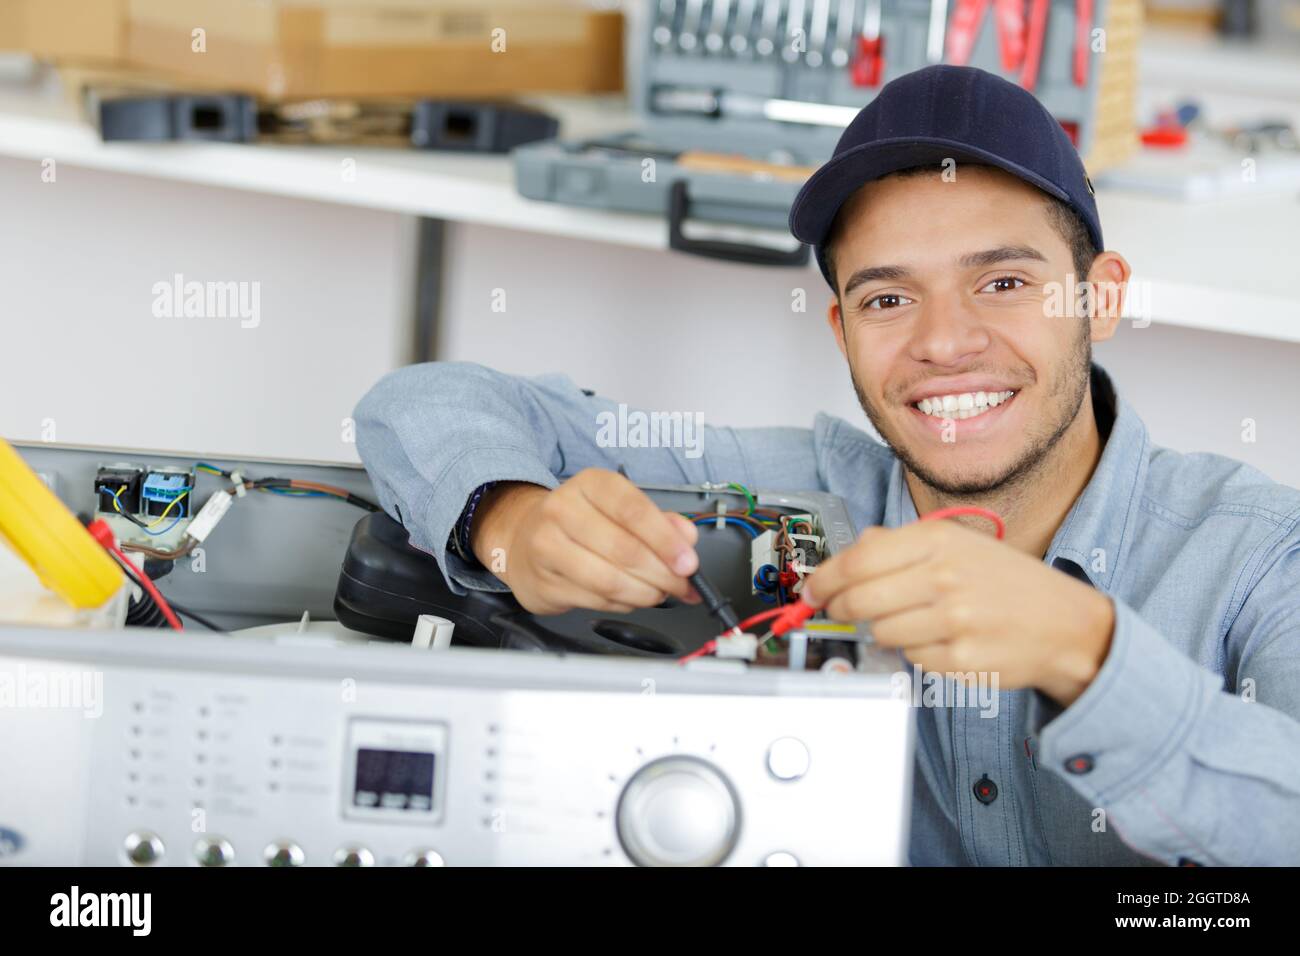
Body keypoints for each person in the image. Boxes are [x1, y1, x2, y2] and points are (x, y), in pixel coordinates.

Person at [355, 66, 1300, 866]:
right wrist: (512, 521)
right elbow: (423, 402)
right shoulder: (795, 490)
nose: (944, 343)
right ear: (844, 328)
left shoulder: (1258, 559)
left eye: (1003, 283)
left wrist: (1087, 655)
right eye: (889, 299)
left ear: (1102, 296)